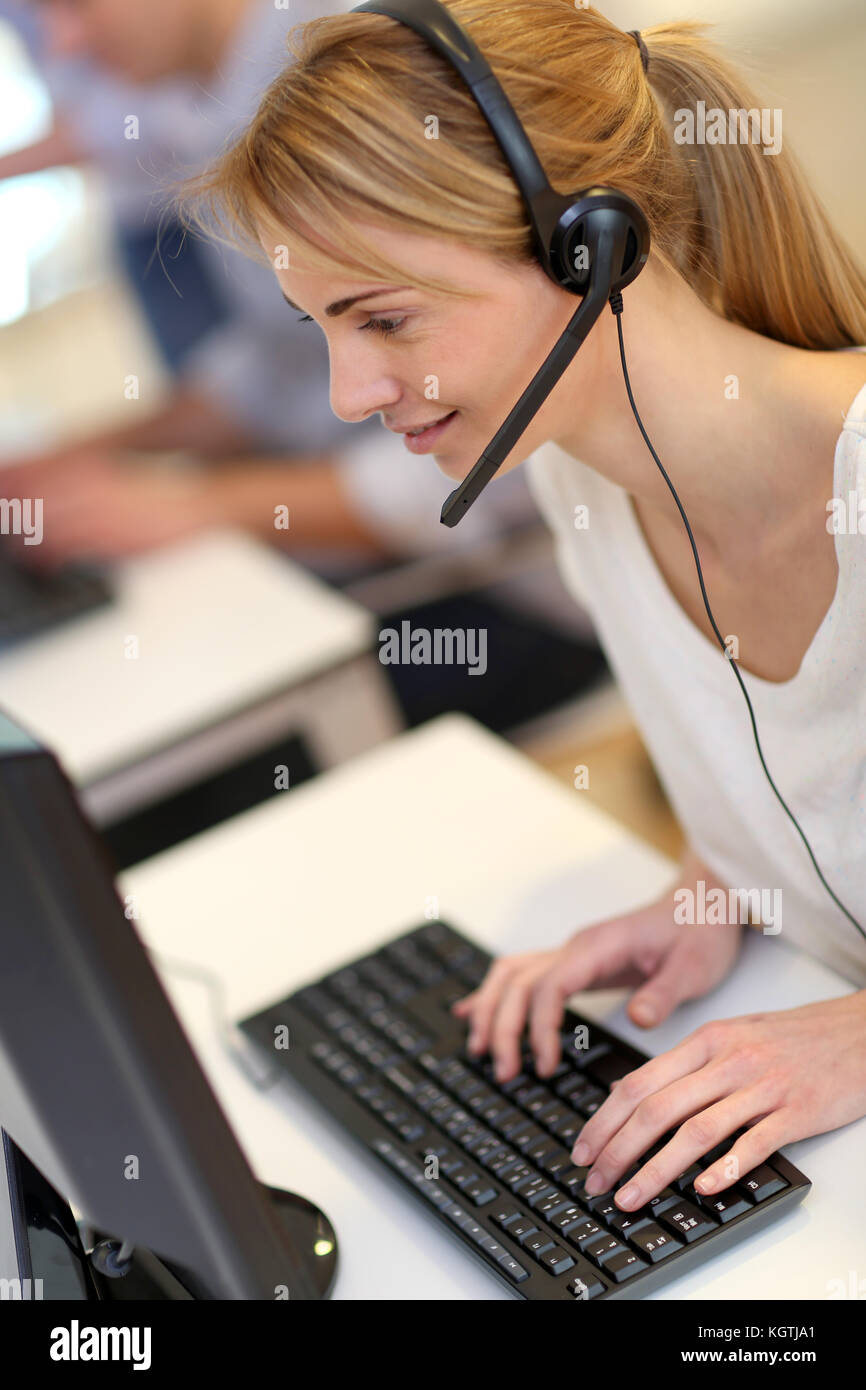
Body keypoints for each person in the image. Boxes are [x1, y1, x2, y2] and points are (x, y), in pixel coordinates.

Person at [181, 0, 866, 1216]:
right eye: (325, 329)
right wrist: (713, 894)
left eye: (385, 319)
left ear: (591, 248)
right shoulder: (579, 483)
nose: (347, 394)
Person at [0, 0, 535, 569]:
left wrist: (201, 505)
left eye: (73, 6)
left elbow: (503, 462)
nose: (61, 46)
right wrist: (92, 456)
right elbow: (273, 359)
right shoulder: (207, 105)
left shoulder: (362, 63)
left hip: (502, 579)